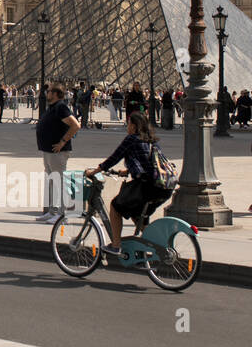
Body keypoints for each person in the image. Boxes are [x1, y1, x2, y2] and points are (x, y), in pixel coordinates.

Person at [83, 112, 171, 258]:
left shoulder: (131, 139)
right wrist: (128, 171)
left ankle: (116, 245)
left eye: (128, 123)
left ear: (134, 126)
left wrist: (95, 171)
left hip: (148, 186)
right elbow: (149, 163)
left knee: (116, 206)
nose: (127, 126)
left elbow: (114, 157)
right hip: (164, 187)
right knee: (137, 215)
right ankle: (160, 248)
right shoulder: (151, 141)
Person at [35, 84, 79, 223]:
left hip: (57, 151)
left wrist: (62, 142)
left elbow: (75, 125)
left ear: (55, 94)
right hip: (48, 150)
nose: (46, 93)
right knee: (51, 182)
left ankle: (62, 214)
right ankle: (52, 211)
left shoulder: (61, 107)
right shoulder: (53, 107)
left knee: (59, 182)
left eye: (48, 91)